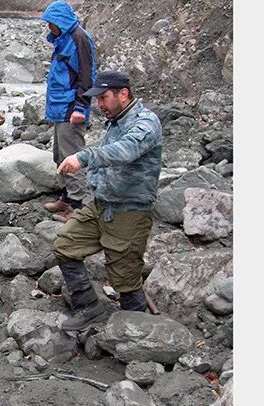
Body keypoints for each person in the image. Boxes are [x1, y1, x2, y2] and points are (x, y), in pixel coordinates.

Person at [52, 70, 163, 331]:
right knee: (65, 245)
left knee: (124, 278)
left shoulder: (146, 123)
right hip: (101, 205)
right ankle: (89, 308)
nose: (99, 105)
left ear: (123, 94)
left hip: (129, 211)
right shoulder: (116, 120)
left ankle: (137, 334)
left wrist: (83, 157)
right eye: (97, 100)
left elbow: (127, 151)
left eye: (104, 98)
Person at [40, 0, 96, 222]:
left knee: (71, 155)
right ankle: (66, 196)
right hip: (60, 108)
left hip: (71, 109)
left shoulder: (79, 39)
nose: (49, 28)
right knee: (59, 155)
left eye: (51, 23)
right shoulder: (63, 39)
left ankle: (77, 205)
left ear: (60, 22)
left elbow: (87, 76)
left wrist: (81, 106)